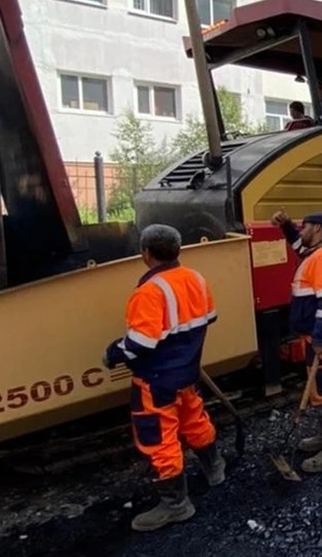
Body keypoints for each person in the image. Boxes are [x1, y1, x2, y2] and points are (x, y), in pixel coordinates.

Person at [102, 224, 224, 532]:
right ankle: (215, 469)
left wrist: (113, 353)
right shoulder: (196, 278)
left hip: (156, 380)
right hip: (188, 372)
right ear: (177, 250)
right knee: (195, 422)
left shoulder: (149, 292)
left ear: (145, 253)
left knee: (159, 439)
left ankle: (175, 505)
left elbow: (141, 343)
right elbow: (209, 318)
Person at [270, 209, 322, 473]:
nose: (300, 232)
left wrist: (320, 337)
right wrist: (287, 226)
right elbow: (299, 248)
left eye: (304, 227)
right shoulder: (315, 253)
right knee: (318, 391)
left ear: (317, 229)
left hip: (321, 338)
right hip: (313, 335)